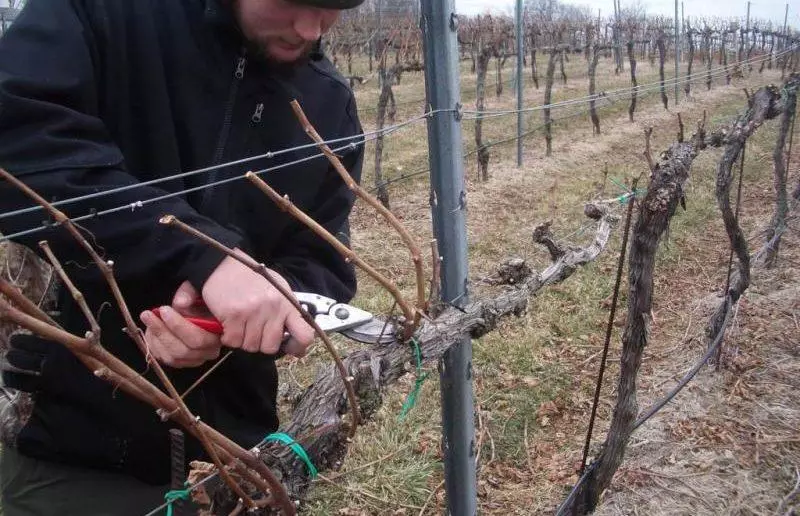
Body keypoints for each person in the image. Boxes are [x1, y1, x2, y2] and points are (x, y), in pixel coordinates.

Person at [0, 0, 365, 513]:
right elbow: (19, 144)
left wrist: (246, 310)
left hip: (234, 458)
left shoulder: (326, 105)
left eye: (333, 8)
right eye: (291, 0)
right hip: (70, 454)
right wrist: (203, 257)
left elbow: (324, 263)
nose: (310, 28)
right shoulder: (102, 13)